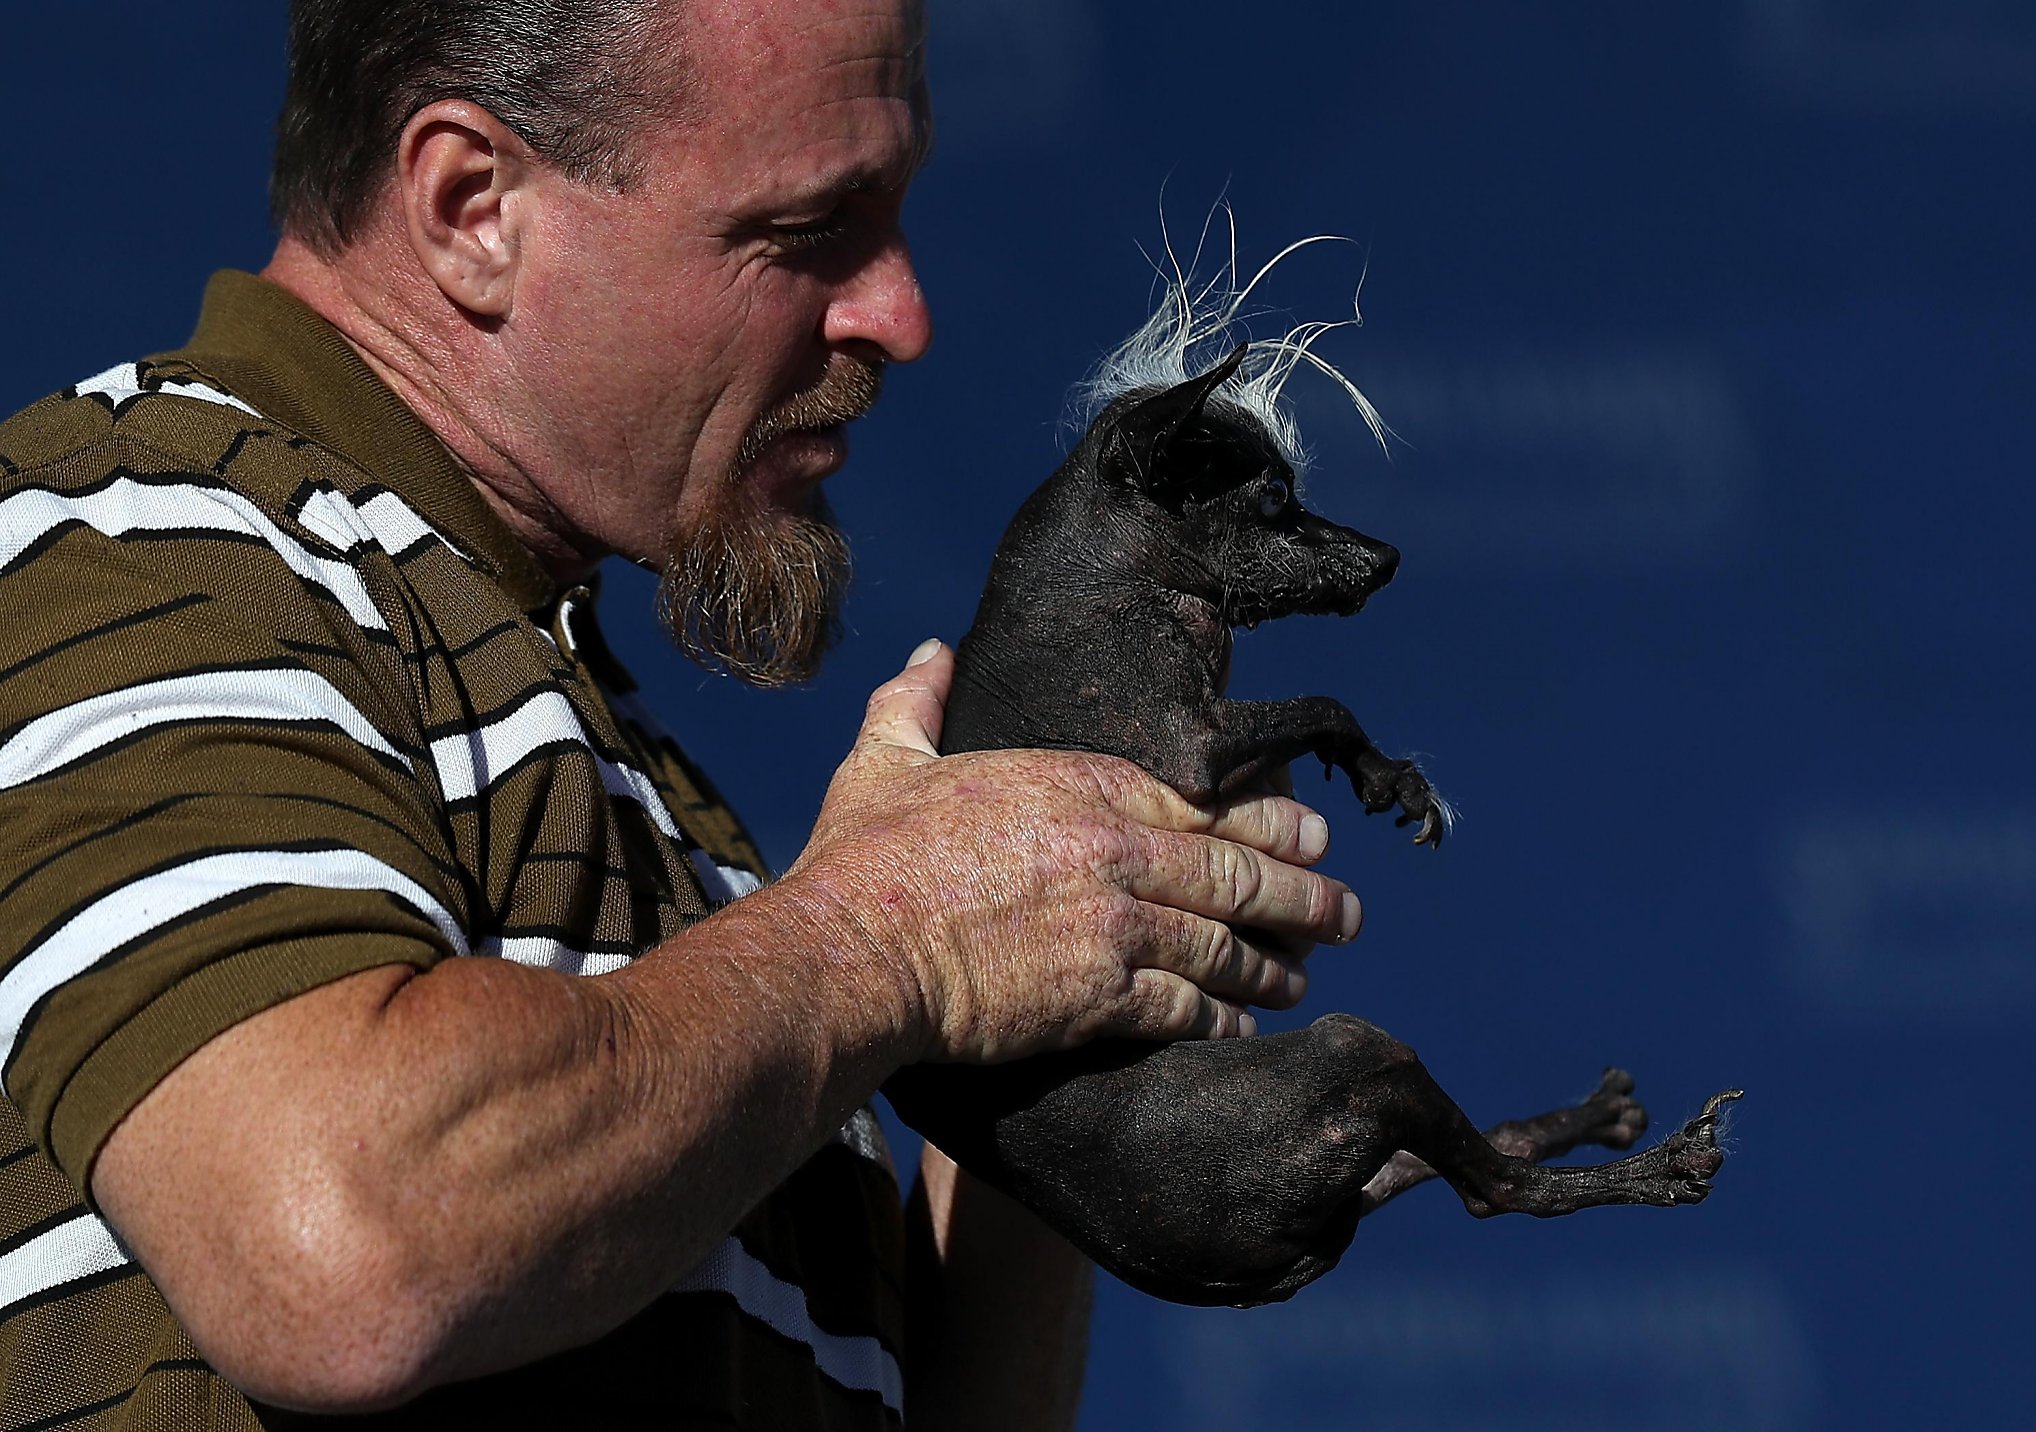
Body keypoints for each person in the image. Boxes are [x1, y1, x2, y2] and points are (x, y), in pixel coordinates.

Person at [0, 0, 1359, 1426]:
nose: (898, 313)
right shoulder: (131, 534)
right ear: (474, 207)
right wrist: (904, 931)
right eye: (807, 229)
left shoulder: (679, 846)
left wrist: (1058, 1007)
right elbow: (342, 1253)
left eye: (893, 214)